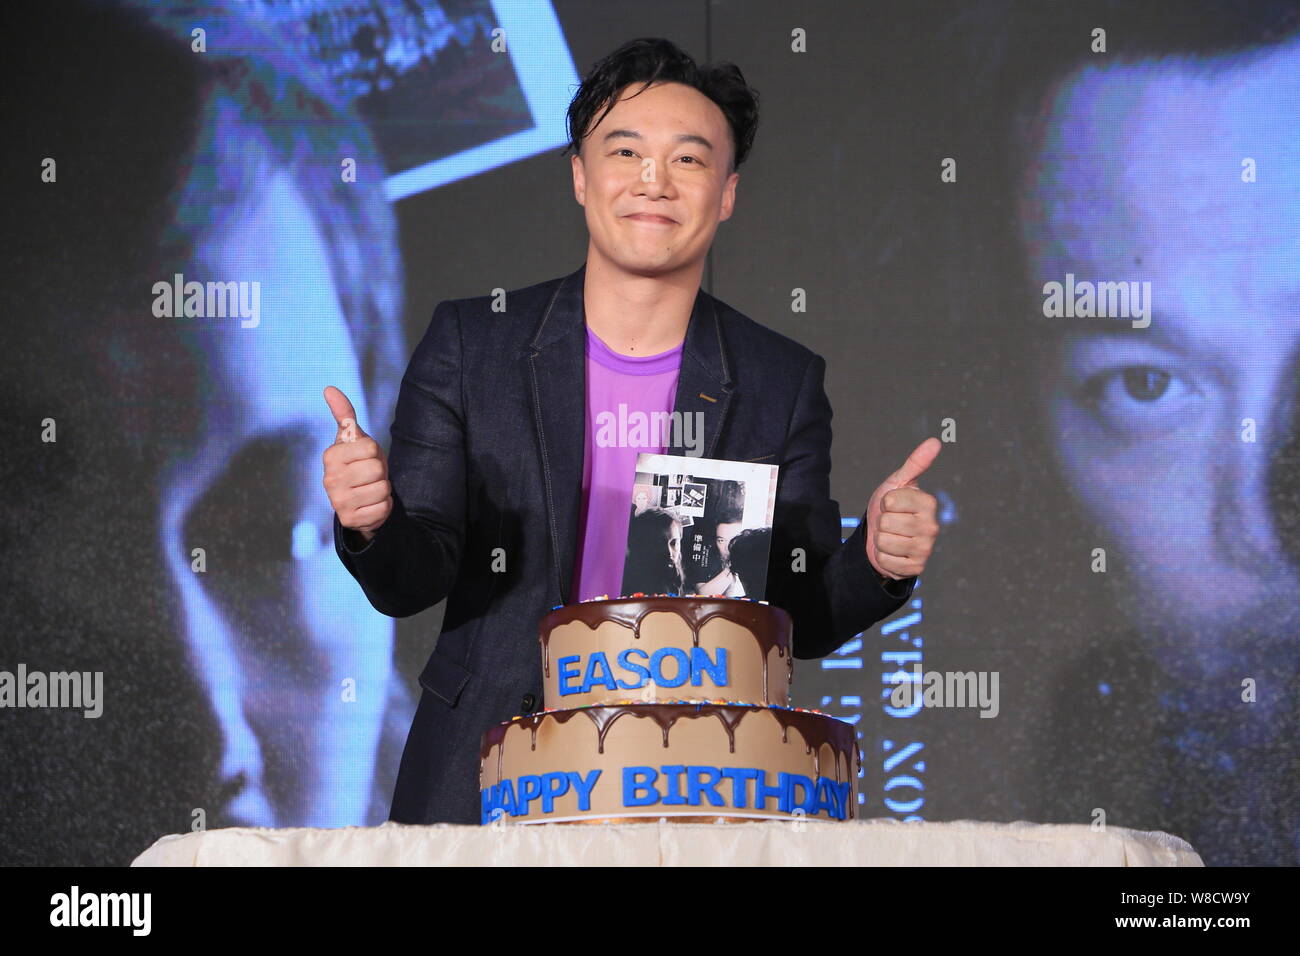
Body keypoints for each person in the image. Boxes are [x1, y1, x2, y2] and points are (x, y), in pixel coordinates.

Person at [322, 37, 942, 825]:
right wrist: (372, 523)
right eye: (625, 151)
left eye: (689, 160)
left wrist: (878, 561)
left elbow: (799, 614)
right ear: (580, 176)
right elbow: (412, 580)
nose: (654, 181)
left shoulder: (779, 379)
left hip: (686, 792)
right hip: (487, 776)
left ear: (727, 193)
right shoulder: (474, 345)